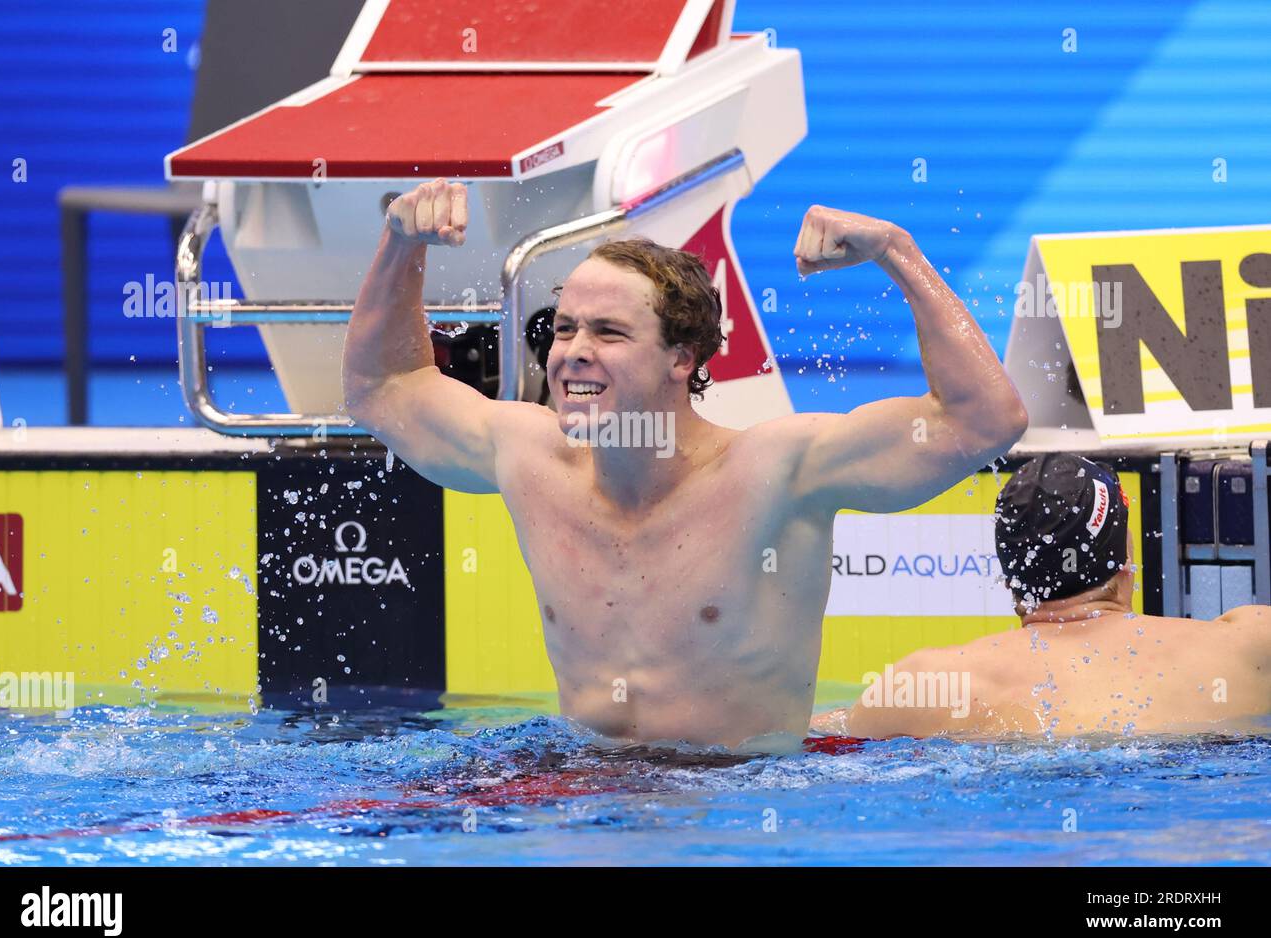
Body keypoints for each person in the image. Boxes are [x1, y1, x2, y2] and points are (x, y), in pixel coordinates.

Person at [342, 178, 1029, 750]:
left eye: (608, 332)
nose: (572, 351)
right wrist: (401, 244)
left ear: (683, 358)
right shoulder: (528, 454)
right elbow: (384, 389)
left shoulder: (777, 474)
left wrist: (896, 252)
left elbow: (984, 422)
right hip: (580, 795)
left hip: (737, 805)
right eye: (564, 328)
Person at [822, 453, 1271, 738]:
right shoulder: (1250, 646)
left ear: (1009, 573)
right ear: (1125, 553)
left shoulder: (925, 685)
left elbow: (783, 744)